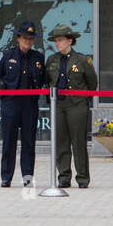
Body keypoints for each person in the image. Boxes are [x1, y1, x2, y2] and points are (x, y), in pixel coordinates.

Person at [44, 24, 98, 188]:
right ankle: (64, 176)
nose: (57, 43)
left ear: (69, 40)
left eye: (60, 40)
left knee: (78, 141)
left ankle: (82, 177)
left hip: (76, 104)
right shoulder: (52, 59)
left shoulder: (82, 60)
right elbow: (48, 81)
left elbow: (92, 83)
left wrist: (82, 99)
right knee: (60, 141)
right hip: (58, 104)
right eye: (56, 40)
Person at [0, 20, 44, 187]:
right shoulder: (7, 55)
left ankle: (27, 177)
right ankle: (6, 177)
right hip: (11, 103)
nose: (27, 41)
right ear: (18, 38)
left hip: (29, 104)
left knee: (29, 142)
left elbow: (42, 79)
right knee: (9, 141)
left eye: (30, 39)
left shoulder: (38, 58)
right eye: (24, 38)